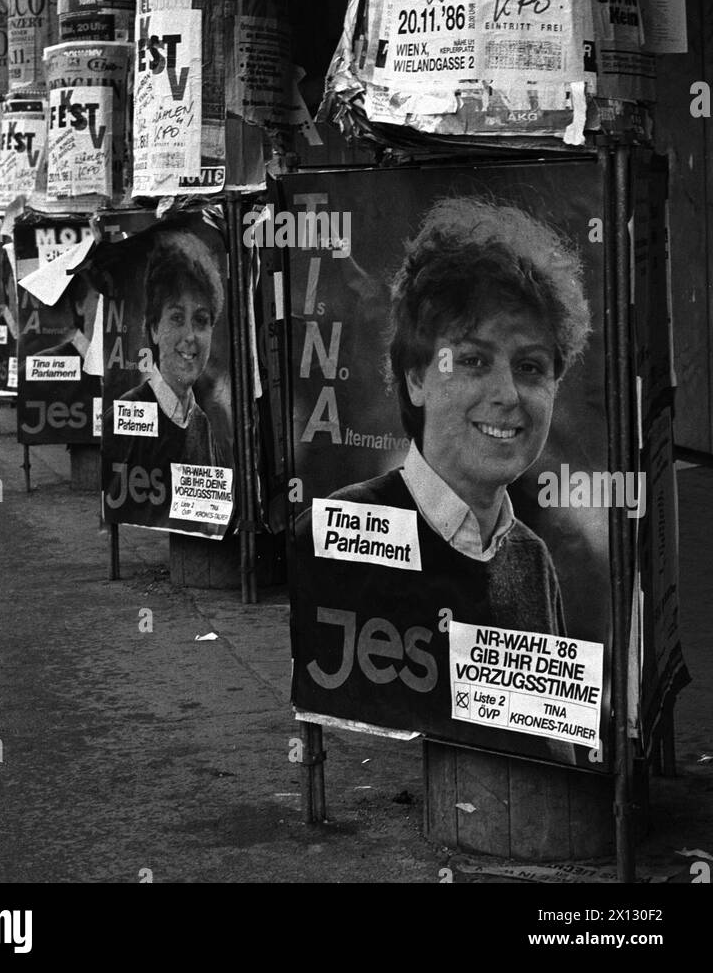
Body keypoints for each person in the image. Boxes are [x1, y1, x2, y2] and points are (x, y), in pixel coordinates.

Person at [293, 196, 593, 762]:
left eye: (530, 367)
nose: (507, 395)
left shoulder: (532, 558)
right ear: (415, 380)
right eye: (474, 360)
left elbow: (555, 758)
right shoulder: (335, 534)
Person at [104, 230, 225, 529]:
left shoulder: (201, 423)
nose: (189, 337)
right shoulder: (123, 415)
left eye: (200, 320)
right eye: (176, 318)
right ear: (154, 329)